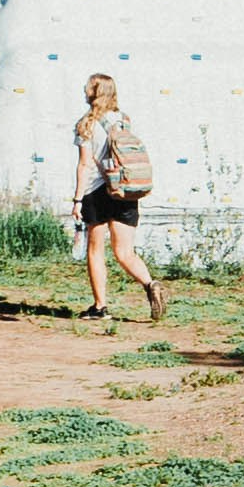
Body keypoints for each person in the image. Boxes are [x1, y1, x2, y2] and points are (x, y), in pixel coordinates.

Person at [70, 71, 163, 324]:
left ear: (93, 93)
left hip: (97, 191)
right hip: (124, 188)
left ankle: (100, 307)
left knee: (95, 249)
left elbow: (85, 165)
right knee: (125, 251)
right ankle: (150, 284)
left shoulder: (86, 123)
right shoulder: (124, 120)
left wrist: (77, 200)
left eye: (88, 87)